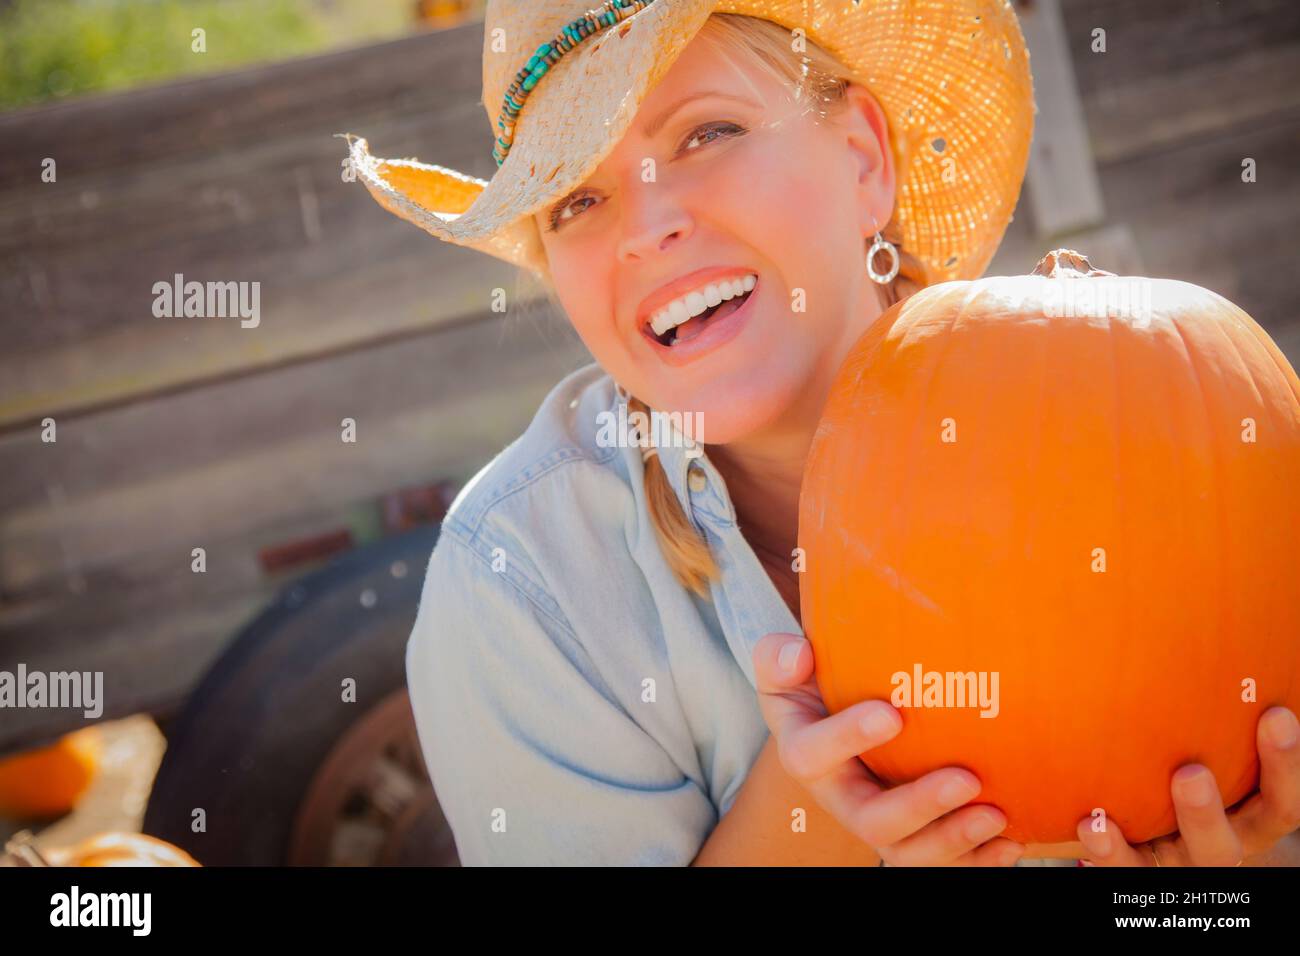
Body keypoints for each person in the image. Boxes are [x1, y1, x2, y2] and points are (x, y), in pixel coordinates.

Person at [344, 0, 1300, 866]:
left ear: (864, 158)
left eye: (705, 132)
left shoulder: (1151, 423)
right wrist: (820, 809)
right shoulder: (521, 581)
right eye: (577, 199)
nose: (646, 226)